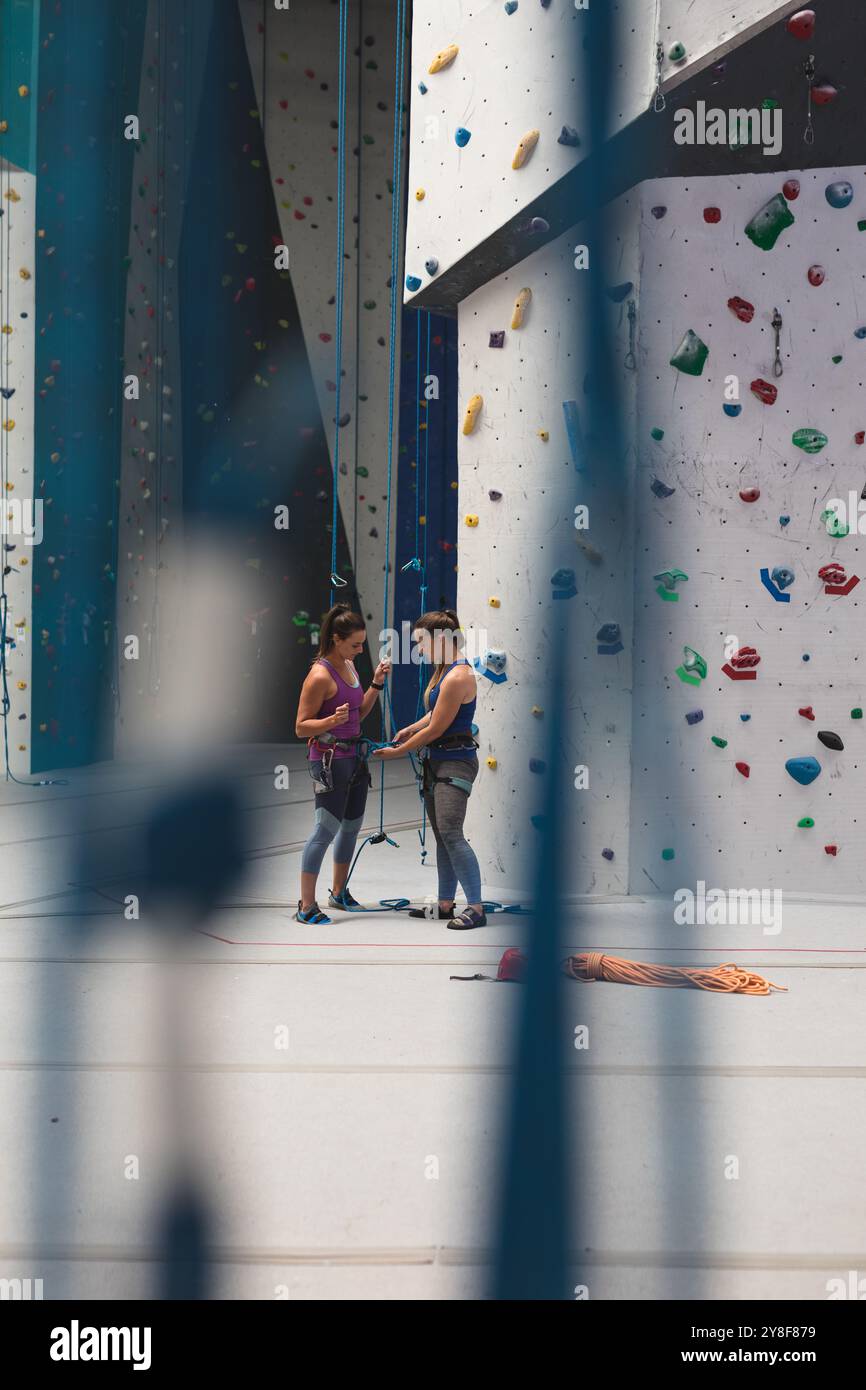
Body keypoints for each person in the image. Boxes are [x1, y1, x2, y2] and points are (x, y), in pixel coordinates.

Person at [372, 609, 486, 930]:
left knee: (452, 833)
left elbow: (437, 727)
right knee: (441, 835)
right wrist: (409, 729)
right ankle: (446, 904)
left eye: (421, 642)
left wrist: (398, 751)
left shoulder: (458, 676)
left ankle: (475, 907)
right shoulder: (443, 670)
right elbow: (434, 715)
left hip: (455, 761)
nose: (419, 649)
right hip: (437, 761)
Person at [294, 603, 390, 923]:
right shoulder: (320, 675)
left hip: (355, 757)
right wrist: (327, 723)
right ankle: (306, 905)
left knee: (350, 828)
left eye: (363, 643)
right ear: (336, 639)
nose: (361, 650)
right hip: (328, 759)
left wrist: (375, 683)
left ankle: (338, 892)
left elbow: (358, 713)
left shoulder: (349, 666)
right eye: (355, 644)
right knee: (324, 830)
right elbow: (300, 726)